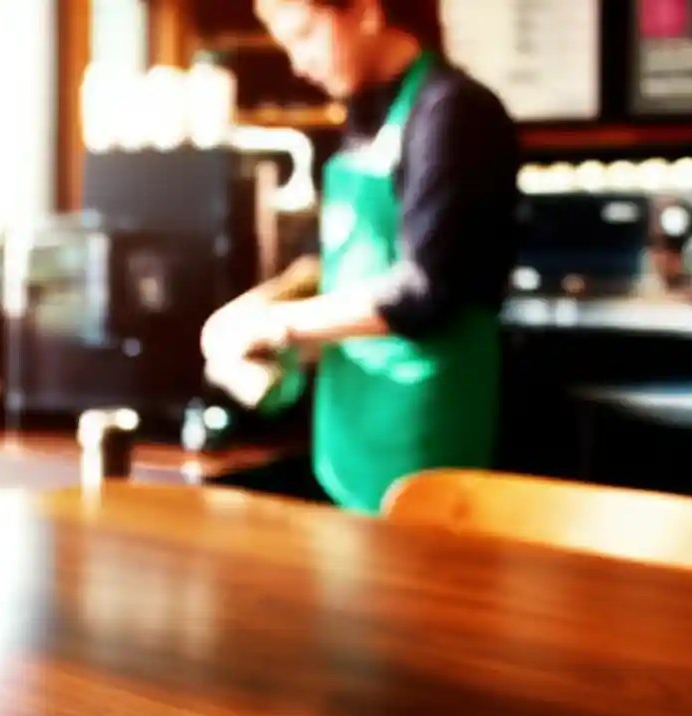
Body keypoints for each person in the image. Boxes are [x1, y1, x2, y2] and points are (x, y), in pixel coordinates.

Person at [201, 0, 521, 513]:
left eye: (304, 36)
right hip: (353, 417)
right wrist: (255, 307)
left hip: (425, 423)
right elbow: (349, 261)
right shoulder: (362, 112)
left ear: (367, 12)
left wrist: (279, 323)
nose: (298, 63)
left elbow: (423, 290)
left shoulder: (455, 112)